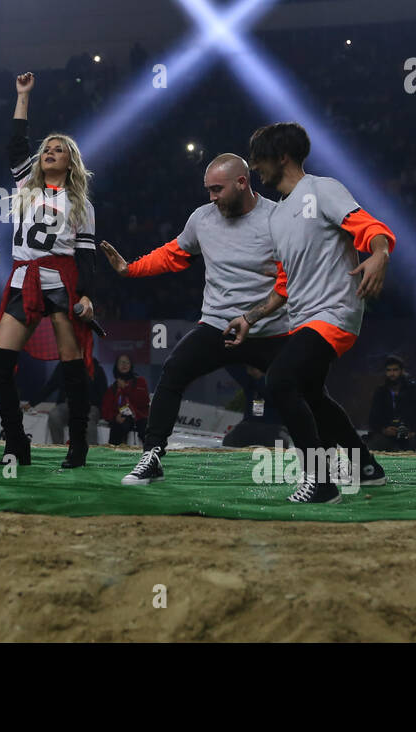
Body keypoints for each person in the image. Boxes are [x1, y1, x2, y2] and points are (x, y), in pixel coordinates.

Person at [226, 122, 393, 504]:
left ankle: (320, 482)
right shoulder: (278, 216)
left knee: (280, 381)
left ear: (282, 156)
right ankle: (365, 467)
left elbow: (367, 226)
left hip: (333, 312)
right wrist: (250, 318)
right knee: (312, 394)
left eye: (258, 158)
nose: (254, 167)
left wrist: (380, 253)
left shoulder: (322, 189)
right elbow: (284, 283)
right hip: (304, 317)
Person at [104, 154, 294, 485]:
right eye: (208, 190)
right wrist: (131, 269)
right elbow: (173, 253)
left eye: (217, 189)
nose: (212, 197)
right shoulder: (202, 218)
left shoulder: (278, 220)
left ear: (242, 182)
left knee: (306, 391)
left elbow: (288, 283)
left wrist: (252, 317)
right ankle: (152, 457)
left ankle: (335, 463)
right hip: (217, 325)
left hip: (270, 330)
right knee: (173, 373)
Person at [0, 71, 98, 468]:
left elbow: (86, 256)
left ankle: (78, 445)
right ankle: (17, 442)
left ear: (71, 162)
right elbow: (16, 145)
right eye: (46, 148)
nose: (49, 151)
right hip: (23, 279)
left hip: (61, 282)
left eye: (58, 149)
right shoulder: (25, 188)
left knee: (71, 365)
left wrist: (86, 295)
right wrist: (23, 97)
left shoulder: (81, 204)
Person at [25, 353, 106, 445]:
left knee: (88, 420)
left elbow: (103, 392)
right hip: (67, 405)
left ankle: (92, 454)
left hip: (89, 406)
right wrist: (31, 403)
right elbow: (50, 386)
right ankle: (59, 448)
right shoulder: (63, 366)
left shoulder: (96, 368)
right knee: (54, 415)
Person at [367, 355, 416, 452]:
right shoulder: (381, 391)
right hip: (389, 435)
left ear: (402, 371)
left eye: (395, 370)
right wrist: (384, 430)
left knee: (412, 445)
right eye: (389, 370)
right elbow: (373, 419)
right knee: (370, 445)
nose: (392, 374)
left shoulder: (414, 390)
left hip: (412, 434)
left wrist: (414, 432)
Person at [101, 354, 149, 445]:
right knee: (117, 426)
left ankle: (151, 455)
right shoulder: (113, 388)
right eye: (121, 362)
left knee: (146, 429)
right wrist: (115, 417)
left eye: (127, 362)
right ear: (116, 366)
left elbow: (143, 402)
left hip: (140, 418)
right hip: (122, 418)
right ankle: (113, 455)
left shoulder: (140, 382)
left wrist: (124, 389)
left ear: (131, 366)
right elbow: (105, 410)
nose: (124, 364)